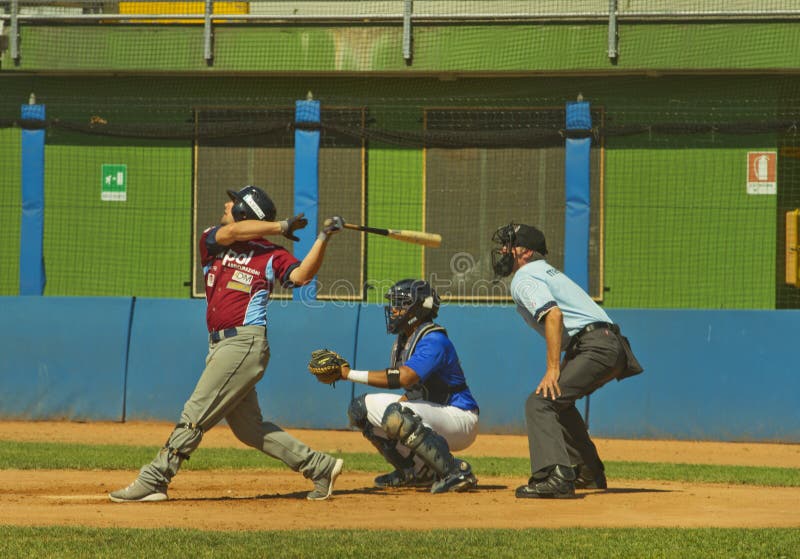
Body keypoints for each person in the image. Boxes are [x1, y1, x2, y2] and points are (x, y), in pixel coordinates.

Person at [110, 185, 345, 502]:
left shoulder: (271, 255)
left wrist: (323, 238)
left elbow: (301, 276)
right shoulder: (214, 240)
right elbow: (233, 232)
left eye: (233, 202)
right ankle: (320, 467)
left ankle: (155, 479)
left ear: (244, 211)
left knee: (196, 412)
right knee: (249, 429)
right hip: (219, 346)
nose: (226, 205)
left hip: (244, 343)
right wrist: (281, 226)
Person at [491, 222, 643, 499]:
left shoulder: (524, 277)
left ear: (525, 252)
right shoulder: (545, 271)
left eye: (509, 245)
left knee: (540, 403)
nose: (502, 250)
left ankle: (555, 476)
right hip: (608, 343)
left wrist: (553, 369)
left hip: (595, 346)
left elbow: (554, 315)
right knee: (557, 403)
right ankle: (589, 472)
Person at [338, 279, 480, 494]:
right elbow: (413, 391)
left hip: (459, 417)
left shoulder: (434, 339)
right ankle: (415, 471)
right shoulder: (405, 339)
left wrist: (348, 374)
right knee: (360, 409)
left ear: (419, 308)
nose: (394, 309)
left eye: (401, 304)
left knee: (398, 415)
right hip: (435, 412)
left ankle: (455, 471)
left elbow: (405, 378)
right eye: (394, 303)